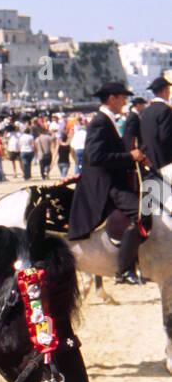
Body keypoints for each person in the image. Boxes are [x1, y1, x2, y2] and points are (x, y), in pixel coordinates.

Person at [68, 82, 152, 285]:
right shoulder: (100, 121)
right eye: (122, 97)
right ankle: (123, 270)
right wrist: (129, 156)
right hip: (105, 183)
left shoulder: (108, 120)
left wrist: (136, 158)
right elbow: (95, 156)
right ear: (112, 98)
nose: (125, 101)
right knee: (140, 213)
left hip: (114, 177)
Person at [140, 75, 172, 171]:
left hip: (151, 158)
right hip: (166, 159)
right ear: (166, 90)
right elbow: (166, 137)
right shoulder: (165, 109)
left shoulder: (146, 110)